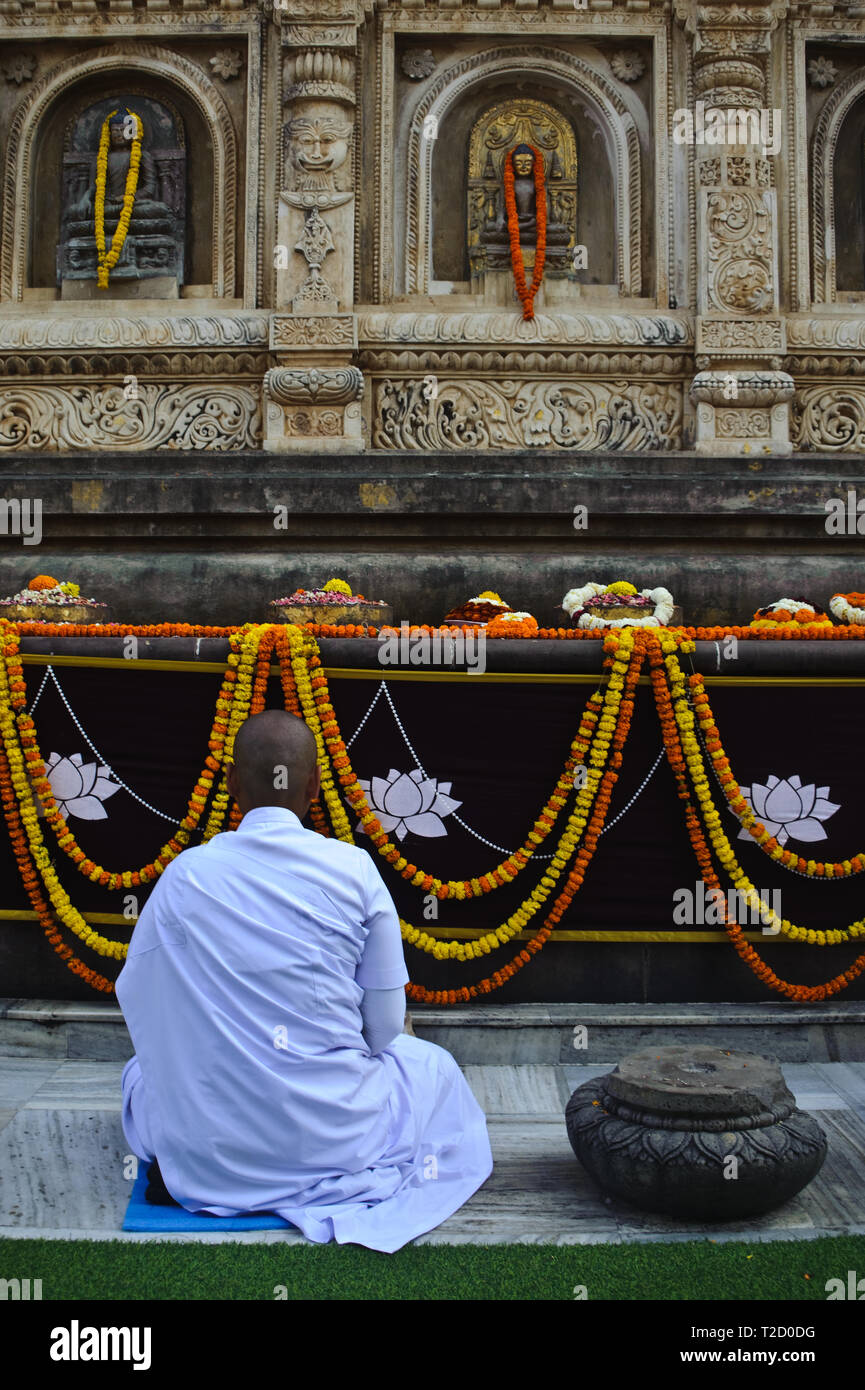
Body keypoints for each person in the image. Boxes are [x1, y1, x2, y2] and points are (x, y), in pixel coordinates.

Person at [116, 709, 493, 1252]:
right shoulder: (355, 868)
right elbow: (386, 1028)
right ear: (316, 785)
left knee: (137, 1078)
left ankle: (228, 1150)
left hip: (210, 1147)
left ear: (229, 784)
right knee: (431, 1066)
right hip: (334, 1135)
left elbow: (140, 999)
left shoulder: (185, 875)